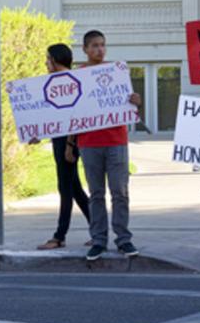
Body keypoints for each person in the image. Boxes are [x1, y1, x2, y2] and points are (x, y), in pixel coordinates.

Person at [77, 29, 142, 262]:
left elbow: (131, 104)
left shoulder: (117, 73)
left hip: (116, 141)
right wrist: (69, 144)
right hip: (89, 143)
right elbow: (68, 112)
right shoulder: (78, 76)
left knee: (120, 192)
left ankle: (123, 239)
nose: (99, 49)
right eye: (94, 45)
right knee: (96, 194)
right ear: (84, 49)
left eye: (102, 45)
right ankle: (98, 240)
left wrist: (136, 101)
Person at [36, 44, 90, 250]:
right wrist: (37, 133)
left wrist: (69, 144)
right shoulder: (54, 82)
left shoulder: (69, 81)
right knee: (74, 188)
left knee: (65, 188)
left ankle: (59, 236)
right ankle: (97, 228)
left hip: (68, 140)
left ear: (56, 59)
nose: (46, 62)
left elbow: (73, 114)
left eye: (48, 58)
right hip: (60, 139)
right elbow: (52, 114)